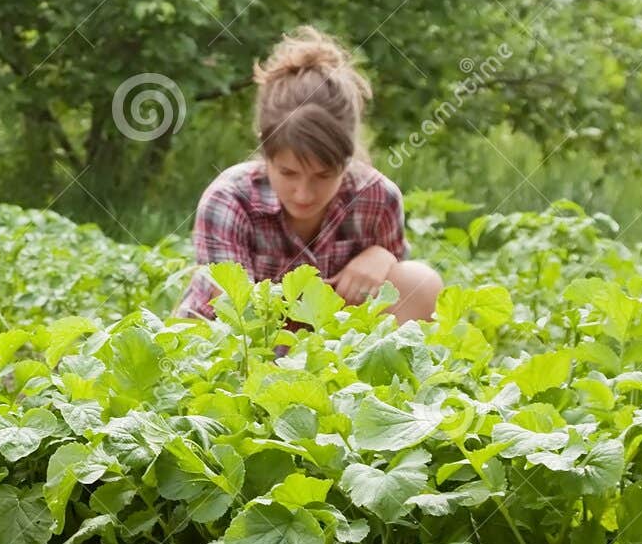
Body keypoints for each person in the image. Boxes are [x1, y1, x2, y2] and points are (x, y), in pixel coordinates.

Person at [175, 26, 442, 325]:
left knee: (420, 281)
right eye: (288, 173)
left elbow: (392, 305)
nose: (304, 193)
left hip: (328, 354)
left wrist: (383, 256)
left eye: (323, 175)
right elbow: (235, 315)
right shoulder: (229, 199)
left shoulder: (377, 199)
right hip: (234, 349)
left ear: (348, 157)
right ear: (266, 151)